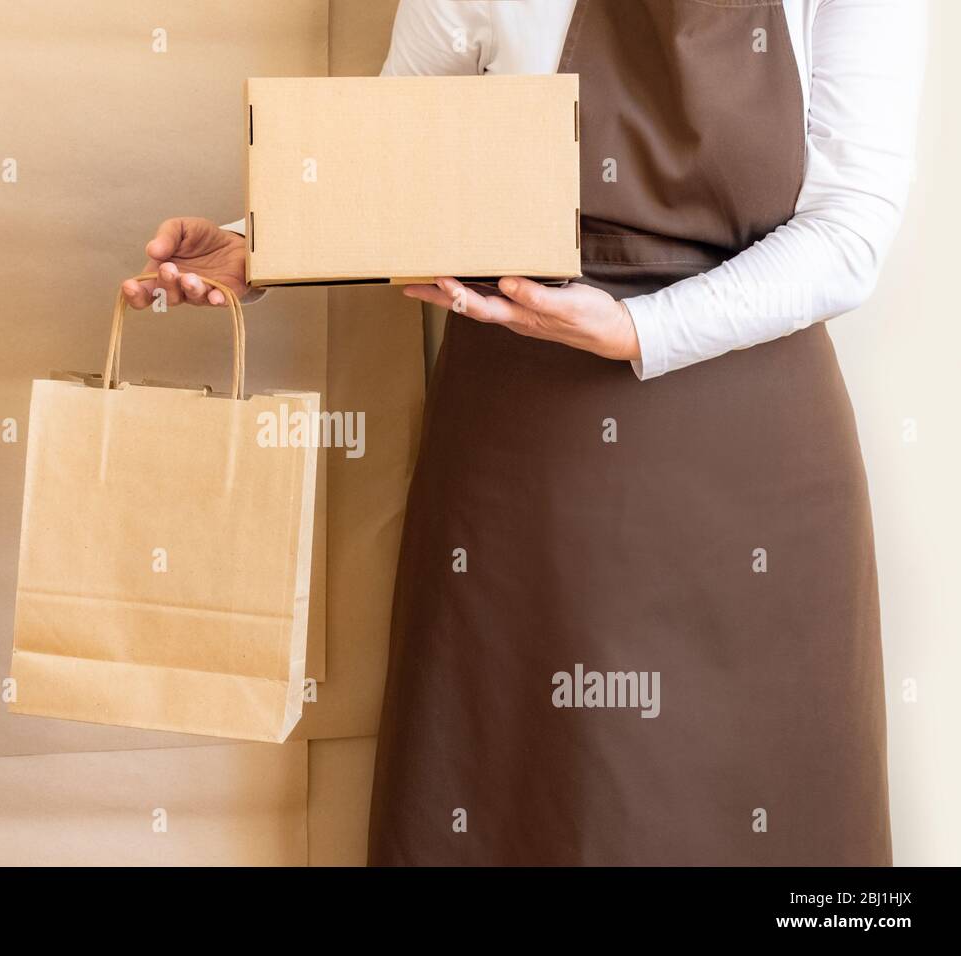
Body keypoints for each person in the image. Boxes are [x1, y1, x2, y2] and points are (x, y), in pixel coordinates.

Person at [121, 0, 926, 865]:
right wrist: (256, 246)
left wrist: (639, 330)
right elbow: (393, 157)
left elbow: (850, 229)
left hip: (749, 463)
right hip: (519, 450)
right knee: (521, 797)